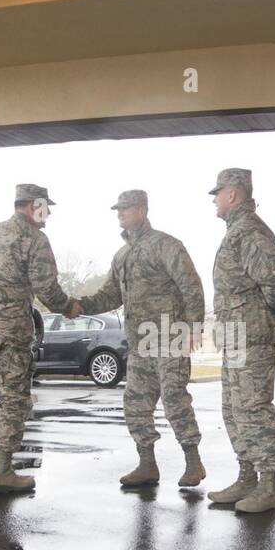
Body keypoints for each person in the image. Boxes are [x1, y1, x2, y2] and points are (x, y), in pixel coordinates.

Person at [0, 183, 80, 494]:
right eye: (46, 207)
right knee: (14, 398)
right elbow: (47, 288)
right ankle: (3, 470)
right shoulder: (34, 239)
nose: (48, 214)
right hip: (10, 332)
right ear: (35, 206)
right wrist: (68, 307)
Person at [78, 190, 206, 487]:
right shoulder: (121, 255)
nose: (120, 213)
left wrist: (194, 327)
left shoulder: (166, 245)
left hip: (169, 337)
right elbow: (110, 294)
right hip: (139, 344)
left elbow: (190, 285)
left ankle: (193, 462)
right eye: (118, 209)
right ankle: (147, 464)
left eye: (126, 208)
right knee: (135, 404)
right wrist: (79, 306)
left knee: (175, 399)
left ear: (142, 210)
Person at [206, 168, 275, 512]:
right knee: (233, 408)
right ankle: (247, 477)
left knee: (254, 408)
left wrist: (272, 318)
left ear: (233, 194)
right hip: (233, 336)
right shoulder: (235, 232)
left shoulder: (250, 231)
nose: (214, 199)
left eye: (218, 192)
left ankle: (269, 485)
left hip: (251, 335)